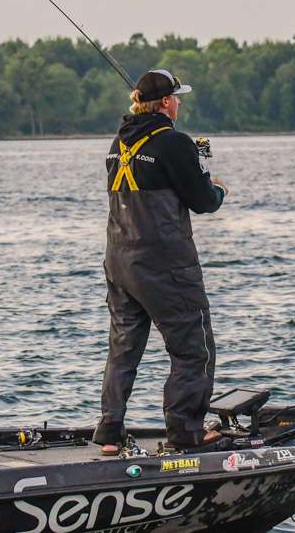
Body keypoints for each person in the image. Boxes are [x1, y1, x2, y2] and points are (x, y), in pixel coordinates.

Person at [93, 69, 228, 455]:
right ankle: (186, 431)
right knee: (194, 347)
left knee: (123, 348)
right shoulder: (173, 142)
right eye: (177, 97)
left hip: (120, 262)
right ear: (166, 103)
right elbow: (203, 201)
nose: (180, 103)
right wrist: (218, 189)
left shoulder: (119, 143)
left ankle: (109, 431)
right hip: (165, 264)